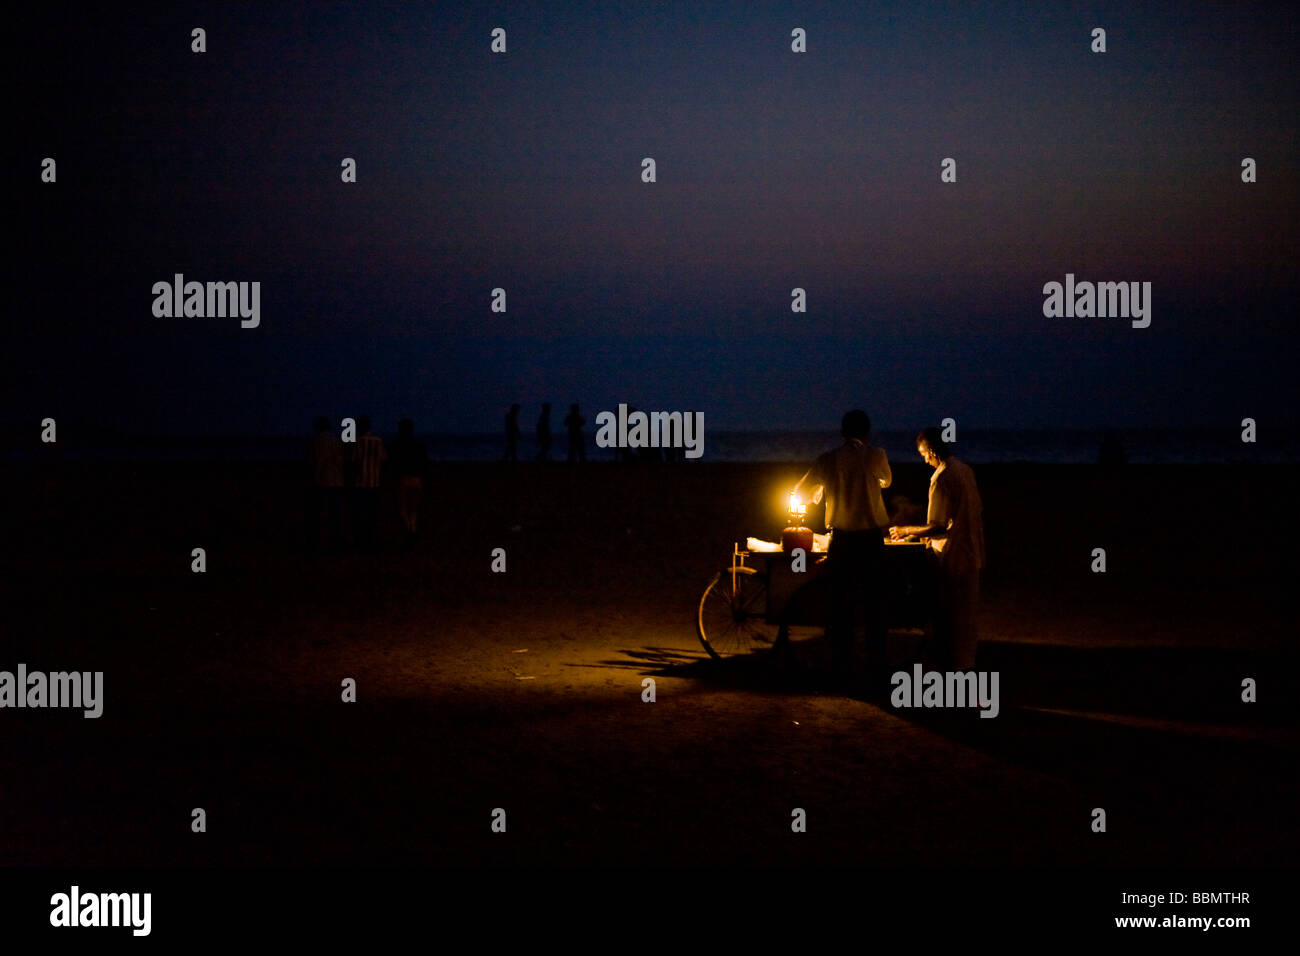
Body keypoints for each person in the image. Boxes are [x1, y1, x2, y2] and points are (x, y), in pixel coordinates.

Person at [792, 410, 892, 689]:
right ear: (867, 433)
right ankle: (876, 667)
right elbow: (886, 481)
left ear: (842, 433)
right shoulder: (877, 455)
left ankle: (842, 666)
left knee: (841, 605)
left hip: (843, 540)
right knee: (875, 605)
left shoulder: (827, 460)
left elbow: (801, 490)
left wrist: (820, 493)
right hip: (871, 540)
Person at [890, 428, 985, 670]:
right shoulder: (965, 471)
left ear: (932, 451)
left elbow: (937, 525)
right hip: (972, 553)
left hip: (952, 557)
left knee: (949, 618)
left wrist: (906, 530)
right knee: (967, 619)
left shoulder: (941, 478)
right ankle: (964, 668)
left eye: (923, 454)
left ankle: (949, 671)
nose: (924, 459)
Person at [390, 418, 429, 547]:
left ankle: (409, 532)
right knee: (413, 510)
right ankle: (412, 531)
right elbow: (424, 463)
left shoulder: (396, 444)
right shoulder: (418, 445)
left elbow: (393, 463)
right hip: (417, 479)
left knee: (402, 509)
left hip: (404, 479)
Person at [350, 415, 387, 549]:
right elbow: (384, 459)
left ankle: (362, 539)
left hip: (360, 482)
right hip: (374, 482)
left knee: (360, 512)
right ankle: (371, 538)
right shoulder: (378, 441)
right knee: (372, 512)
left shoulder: (358, 442)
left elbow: (353, 462)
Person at [308, 416, 344, 548]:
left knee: (323, 511)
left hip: (323, 481)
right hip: (338, 480)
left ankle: (324, 539)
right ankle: (336, 537)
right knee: (335, 512)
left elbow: (318, 461)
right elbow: (340, 460)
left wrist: (315, 478)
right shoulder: (336, 440)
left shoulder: (317, 441)